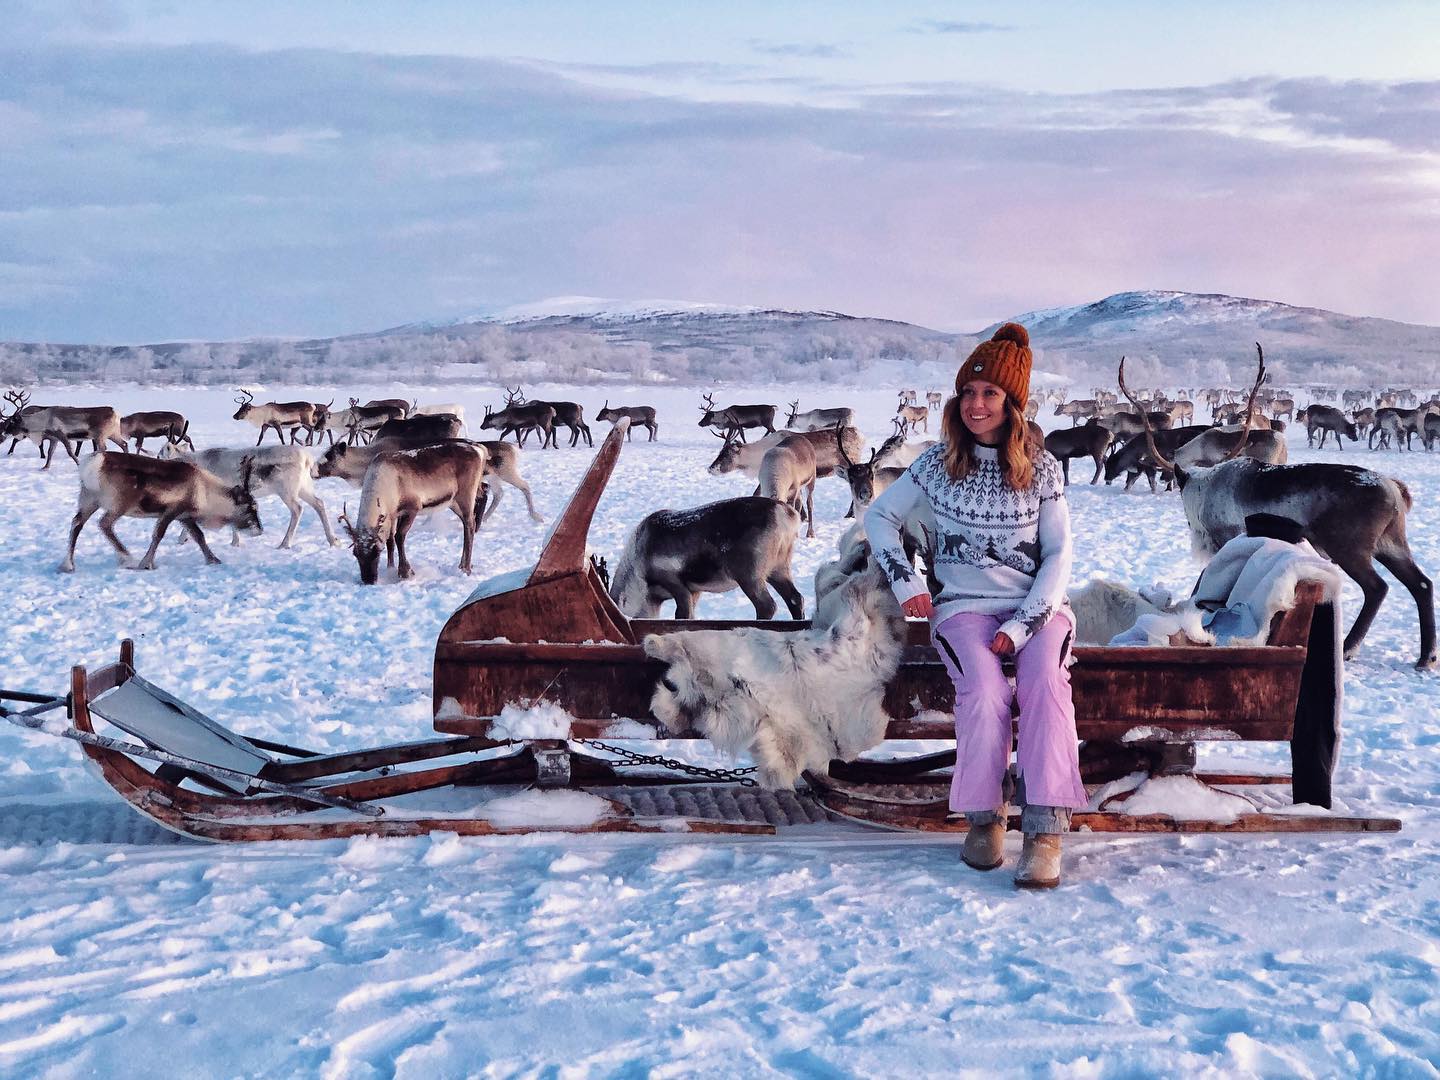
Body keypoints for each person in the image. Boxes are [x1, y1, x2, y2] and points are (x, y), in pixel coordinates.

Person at [864, 322, 1084, 889]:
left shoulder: (1042, 468)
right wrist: (905, 581)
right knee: (984, 693)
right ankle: (985, 819)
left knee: (1045, 686)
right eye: (968, 392)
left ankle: (1044, 831)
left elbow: (1058, 555)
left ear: (1013, 404)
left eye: (989, 393)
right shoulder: (937, 464)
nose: (976, 404)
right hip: (963, 607)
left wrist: (1023, 625)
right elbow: (880, 516)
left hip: (1038, 608)